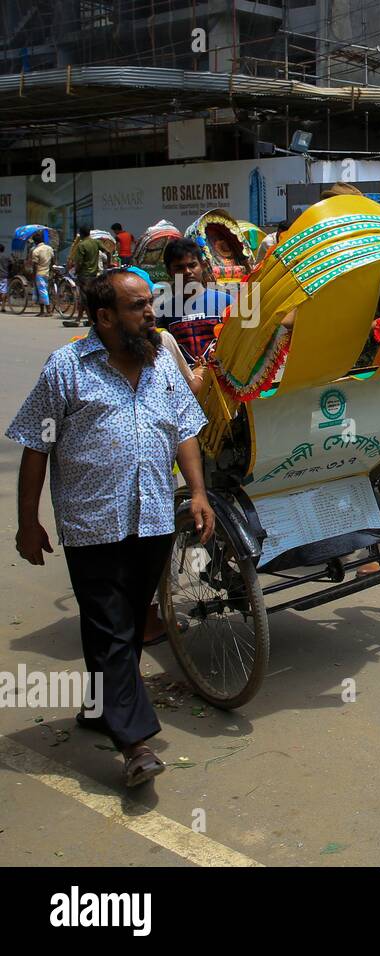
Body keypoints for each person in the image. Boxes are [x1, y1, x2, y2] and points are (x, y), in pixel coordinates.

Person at [7, 268, 215, 787]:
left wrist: (197, 491)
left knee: (123, 624)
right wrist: (27, 522)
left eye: (150, 303)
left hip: (152, 519)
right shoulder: (66, 369)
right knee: (108, 625)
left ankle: (101, 708)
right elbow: (37, 447)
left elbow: (183, 428)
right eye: (137, 307)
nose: (150, 314)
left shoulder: (161, 364)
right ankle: (135, 743)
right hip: (91, 522)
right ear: (104, 316)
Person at [158, 237, 232, 362]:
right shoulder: (164, 310)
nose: (187, 272)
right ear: (169, 272)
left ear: (202, 265)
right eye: (179, 268)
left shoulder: (226, 302)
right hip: (185, 379)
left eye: (192, 265)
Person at [66, 226, 102, 327]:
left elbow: (79, 262)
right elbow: (108, 251)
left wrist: (75, 271)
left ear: (81, 234)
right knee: (85, 297)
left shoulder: (81, 245)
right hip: (94, 274)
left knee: (85, 298)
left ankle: (90, 320)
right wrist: (109, 263)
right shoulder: (96, 242)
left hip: (84, 275)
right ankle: (79, 318)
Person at [30, 234, 54, 317]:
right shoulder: (49, 248)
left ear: (35, 242)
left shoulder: (36, 251)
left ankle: (48, 310)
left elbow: (35, 265)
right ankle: (42, 311)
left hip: (39, 273)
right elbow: (53, 260)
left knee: (42, 292)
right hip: (47, 272)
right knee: (41, 291)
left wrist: (33, 275)